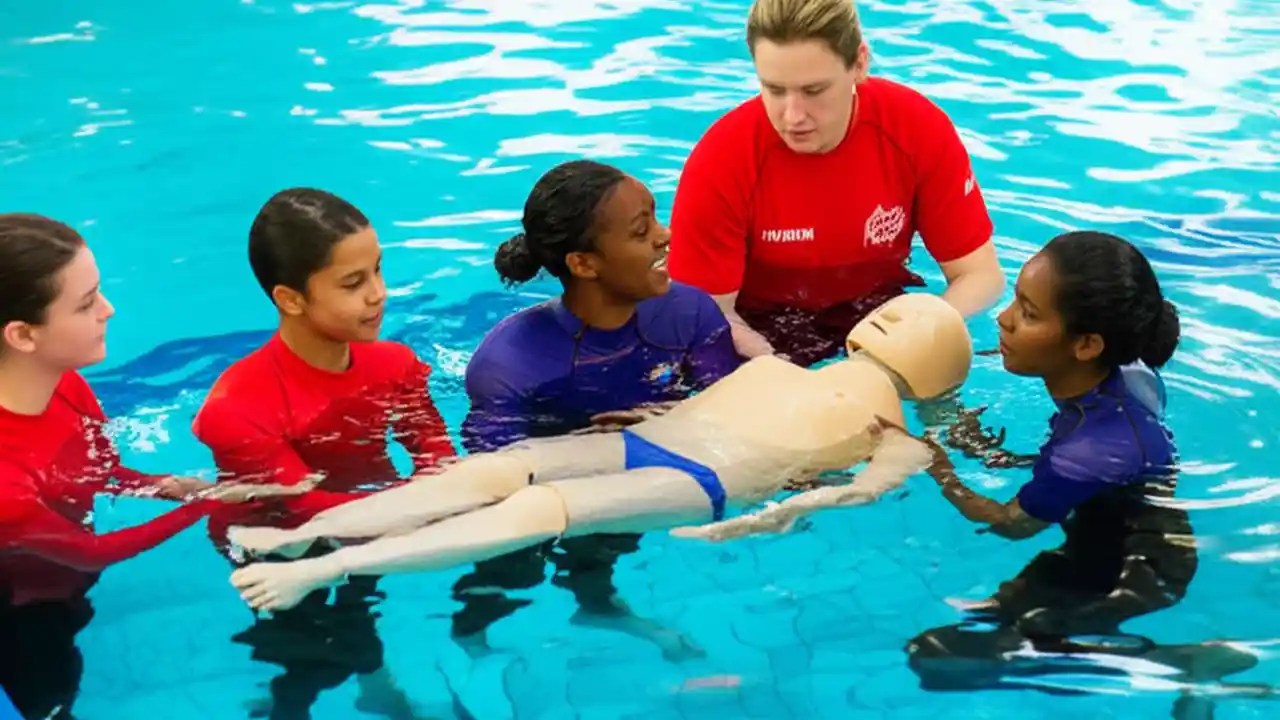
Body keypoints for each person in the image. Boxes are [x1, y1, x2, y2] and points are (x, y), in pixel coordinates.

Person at [222, 291, 972, 612]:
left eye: (900, 319)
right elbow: (838, 492)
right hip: (673, 454)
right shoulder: (863, 417)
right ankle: (310, 538)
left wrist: (749, 522)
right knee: (514, 484)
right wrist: (756, 519)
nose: (889, 319)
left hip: (684, 465)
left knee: (527, 492)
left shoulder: (871, 422)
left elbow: (835, 493)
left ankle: (326, 556)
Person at [905, 231, 1263, 708]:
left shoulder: (1087, 452)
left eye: (1029, 314)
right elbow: (1081, 474)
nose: (1003, 319)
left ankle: (1183, 663)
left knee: (943, 658)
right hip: (1110, 530)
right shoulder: (1128, 371)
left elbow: (1009, 523)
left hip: (1137, 567)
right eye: (1015, 300)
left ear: (1087, 344)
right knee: (971, 629)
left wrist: (934, 459)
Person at [453, 160, 741, 660]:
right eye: (641, 230)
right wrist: (601, 451)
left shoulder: (689, 313)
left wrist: (676, 424)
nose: (665, 234)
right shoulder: (510, 362)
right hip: (553, 474)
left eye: (655, 218)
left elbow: (741, 407)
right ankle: (470, 637)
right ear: (584, 264)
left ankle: (598, 603)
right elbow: (491, 481)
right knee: (519, 554)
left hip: (633, 478)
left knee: (614, 527)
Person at [0, 214, 283, 720]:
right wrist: (205, 503)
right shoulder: (5, 481)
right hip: (23, 612)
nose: (109, 310)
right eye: (86, 304)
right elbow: (92, 553)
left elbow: (102, 469)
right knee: (50, 697)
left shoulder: (65, 383)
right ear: (22, 334)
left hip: (57, 572)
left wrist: (176, 488)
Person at [191, 189, 455, 720]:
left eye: (378, 271)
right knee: (306, 653)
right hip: (275, 544)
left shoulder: (394, 364)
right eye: (353, 284)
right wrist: (422, 505)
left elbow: (432, 446)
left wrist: (440, 486)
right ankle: (288, 706)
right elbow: (304, 509)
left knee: (359, 610)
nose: (379, 294)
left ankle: (372, 683)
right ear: (291, 299)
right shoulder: (238, 406)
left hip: (374, 508)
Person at [667, 0, 1005, 367]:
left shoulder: (916, 130)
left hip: (878, 311)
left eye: (813, 91)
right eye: (775, 90)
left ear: (859, 64)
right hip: (761, 323)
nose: (793, 116)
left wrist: (918, 331)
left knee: (939, 386)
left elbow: (980, 275)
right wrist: (775, 365)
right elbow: (707, 318)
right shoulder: (721, 160)